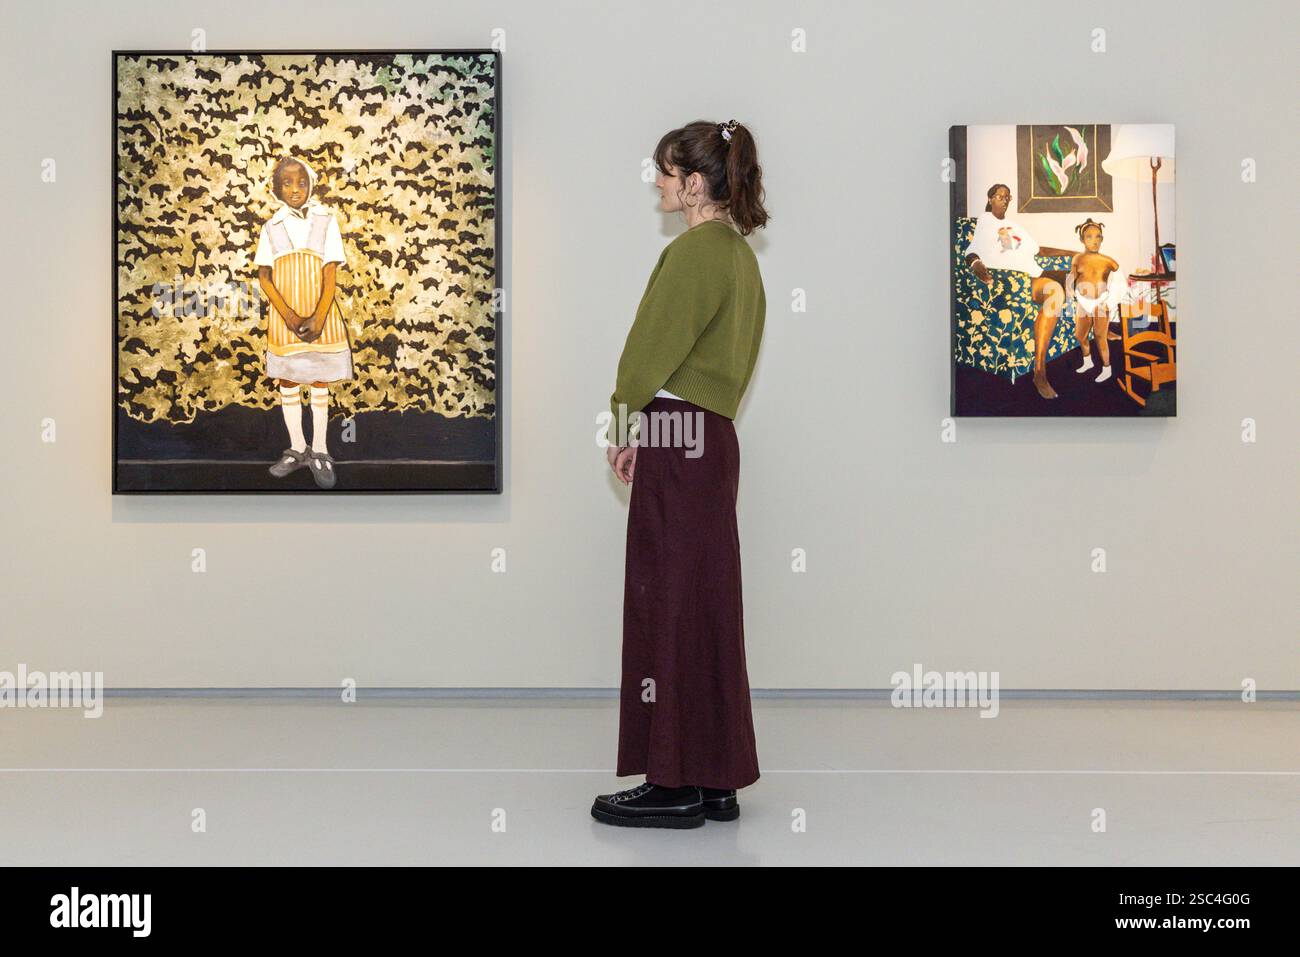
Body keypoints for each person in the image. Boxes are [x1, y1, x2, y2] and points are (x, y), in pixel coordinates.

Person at [594, 119, 768, 829]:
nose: (658, 182)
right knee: (705, 602)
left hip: (676, 435)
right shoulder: (739, 257)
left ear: (695, 183)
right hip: (713, 436)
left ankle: (672, 783)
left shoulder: (696, 252)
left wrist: (623, 421)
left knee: (667, 600)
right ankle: (715, 775)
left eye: (666, 171)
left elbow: (646, 352)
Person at [253, 155, 353, 489]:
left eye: (301, 182)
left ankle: (321, 449)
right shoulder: (272, 227)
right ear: (277, 188)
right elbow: (265, 278)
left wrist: (320, 315)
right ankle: (297, 447)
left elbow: (330, 272)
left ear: (311, 184)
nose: (295, 189)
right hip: (286, 318)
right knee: (290, 381)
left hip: (320, 315)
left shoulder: (326, 219)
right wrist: (291, 316)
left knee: (320, 380)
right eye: (287, 183)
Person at [964, 184, 1068, 399]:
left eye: (1007, 197)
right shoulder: (985, 222)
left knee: (1080, 276)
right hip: (1011, 281)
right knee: (1057, 291)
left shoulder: (1013, 225)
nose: (1004, 199)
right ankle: (1040, 372)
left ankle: (1099, 332)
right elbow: (971, 251)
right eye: (1000, 196)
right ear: (991, 198)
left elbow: (1039, 249)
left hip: (1031, 275)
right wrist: (978, 267)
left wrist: (1070, 252)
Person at [1067, 218, 1120, 383]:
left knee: (1099, 336)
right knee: (1080, 335)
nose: (1094, 241)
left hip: (1100, 302)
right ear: (1082, 240)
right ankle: (1088, 361)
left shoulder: (1108, 261)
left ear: (1102, 239)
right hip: (1083, 301)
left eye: (1098, 237)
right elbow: (1071, 276)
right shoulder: (1077, 259)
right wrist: (1069, 290)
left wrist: (1110, 300)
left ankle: (1106, 368)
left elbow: (1120, 281)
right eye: (1089, 237)